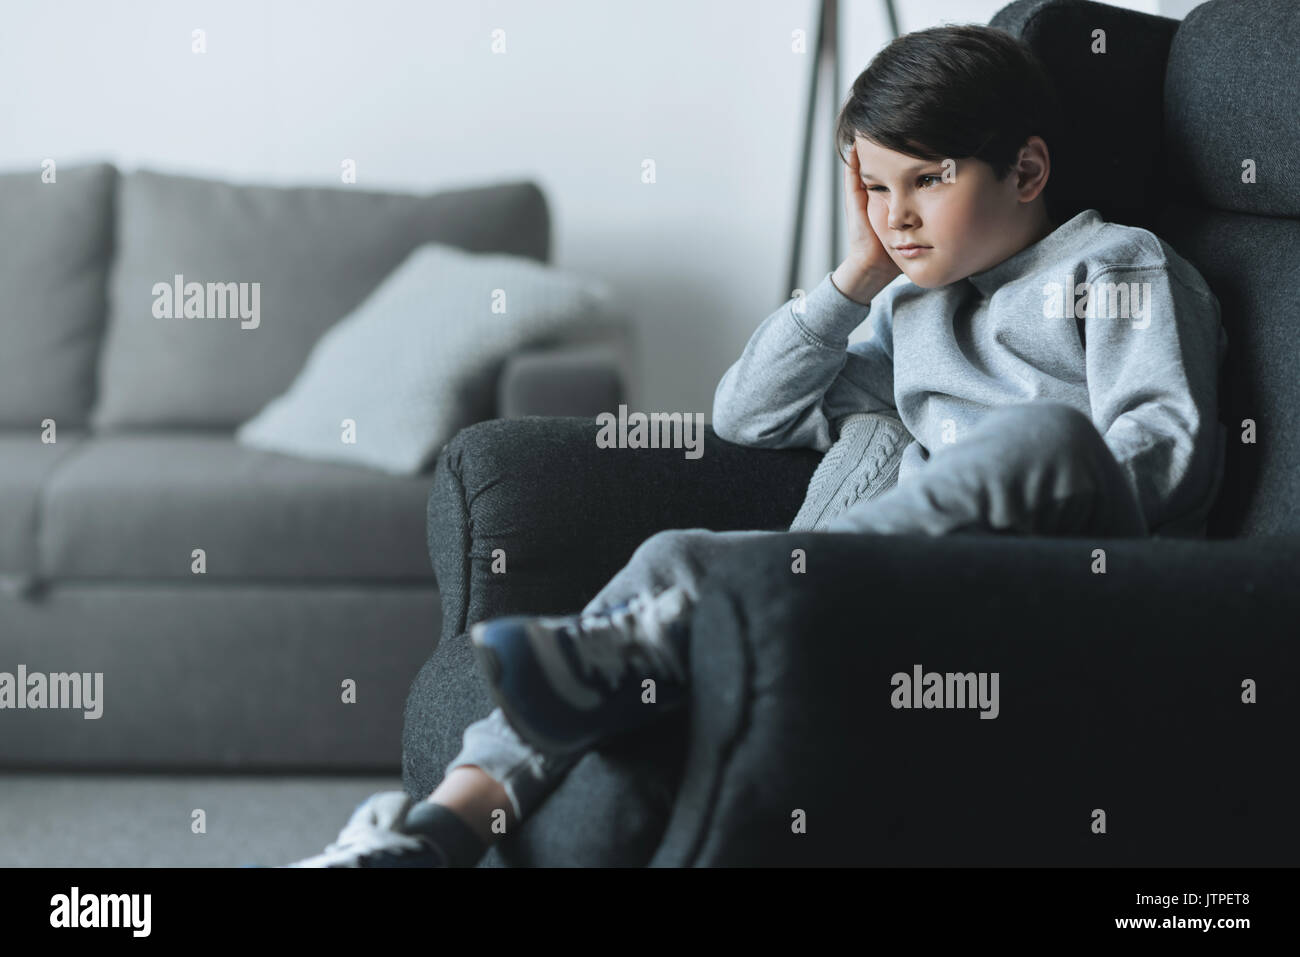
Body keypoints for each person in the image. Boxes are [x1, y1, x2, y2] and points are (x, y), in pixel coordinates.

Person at [287, 23, 1227, 867]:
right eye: (874, 188)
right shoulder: (911, 308)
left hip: (1075, 577)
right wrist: (852, 281)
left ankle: (752, 600)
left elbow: (1169, 449)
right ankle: (440, 827)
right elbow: (750, 416)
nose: (896, 217)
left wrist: (1011, 470)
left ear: (1025, 171)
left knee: (1043, 438)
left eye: (928, 180)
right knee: (673, 556)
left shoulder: (1113, 265)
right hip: (909, 591)